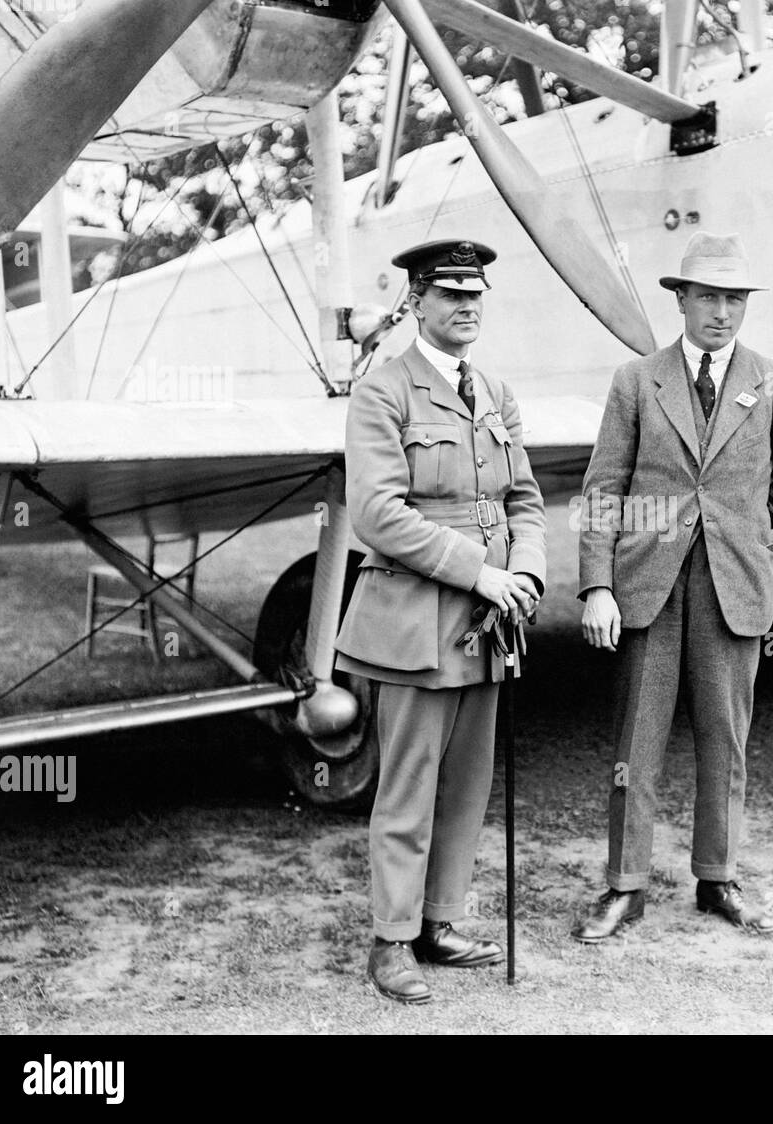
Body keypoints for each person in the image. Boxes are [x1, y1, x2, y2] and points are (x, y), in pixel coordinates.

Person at [572, 232, 773, 941]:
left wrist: (738, 525)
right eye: (708, 297)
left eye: (734, 299)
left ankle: (719, 880)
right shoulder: (636, 381)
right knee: (637, 744)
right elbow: (603, 492)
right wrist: (598, 586)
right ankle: (625, 887)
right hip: (646, 587)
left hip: (732, 590)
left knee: (726, 740)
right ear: (680, 301)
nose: (721, 312)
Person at [335, 238, 546, 1003]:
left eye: (477, 293)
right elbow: (379, 515)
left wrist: (526, 572)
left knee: (466, 781)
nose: (468, 305)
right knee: (409, 785)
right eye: (451, 292)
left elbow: (523, 499)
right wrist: (480, 572)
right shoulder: (383, 391)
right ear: (416, 301)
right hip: (417, 618)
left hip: (488, 619)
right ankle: (390, 942)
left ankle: (440, 921)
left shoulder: (493, 389)